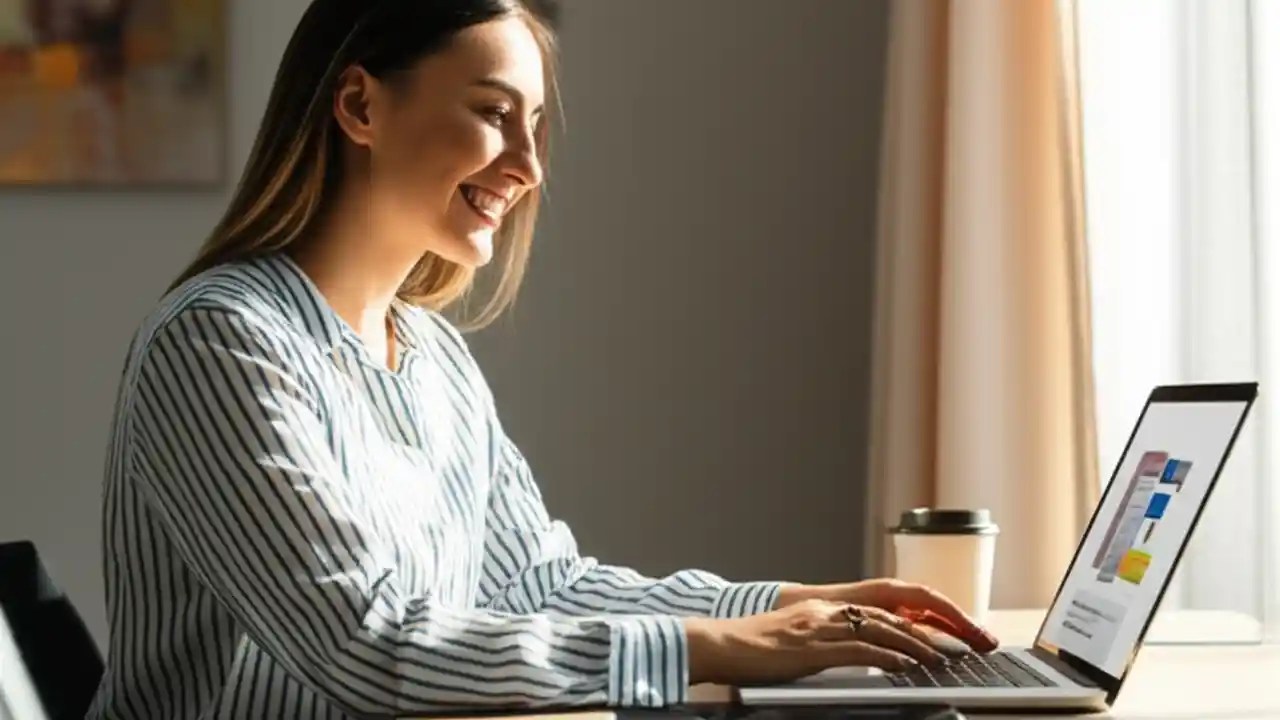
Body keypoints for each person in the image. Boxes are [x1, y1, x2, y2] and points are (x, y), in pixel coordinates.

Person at [87, 1, 998, 718]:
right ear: (360, 105)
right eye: (493, 115)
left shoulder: (431, 354)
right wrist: (716, 648)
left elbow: (541, 586)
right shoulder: (220, 342)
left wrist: (790, 605)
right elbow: (364, 646)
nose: (528, 165)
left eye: (534, 126)